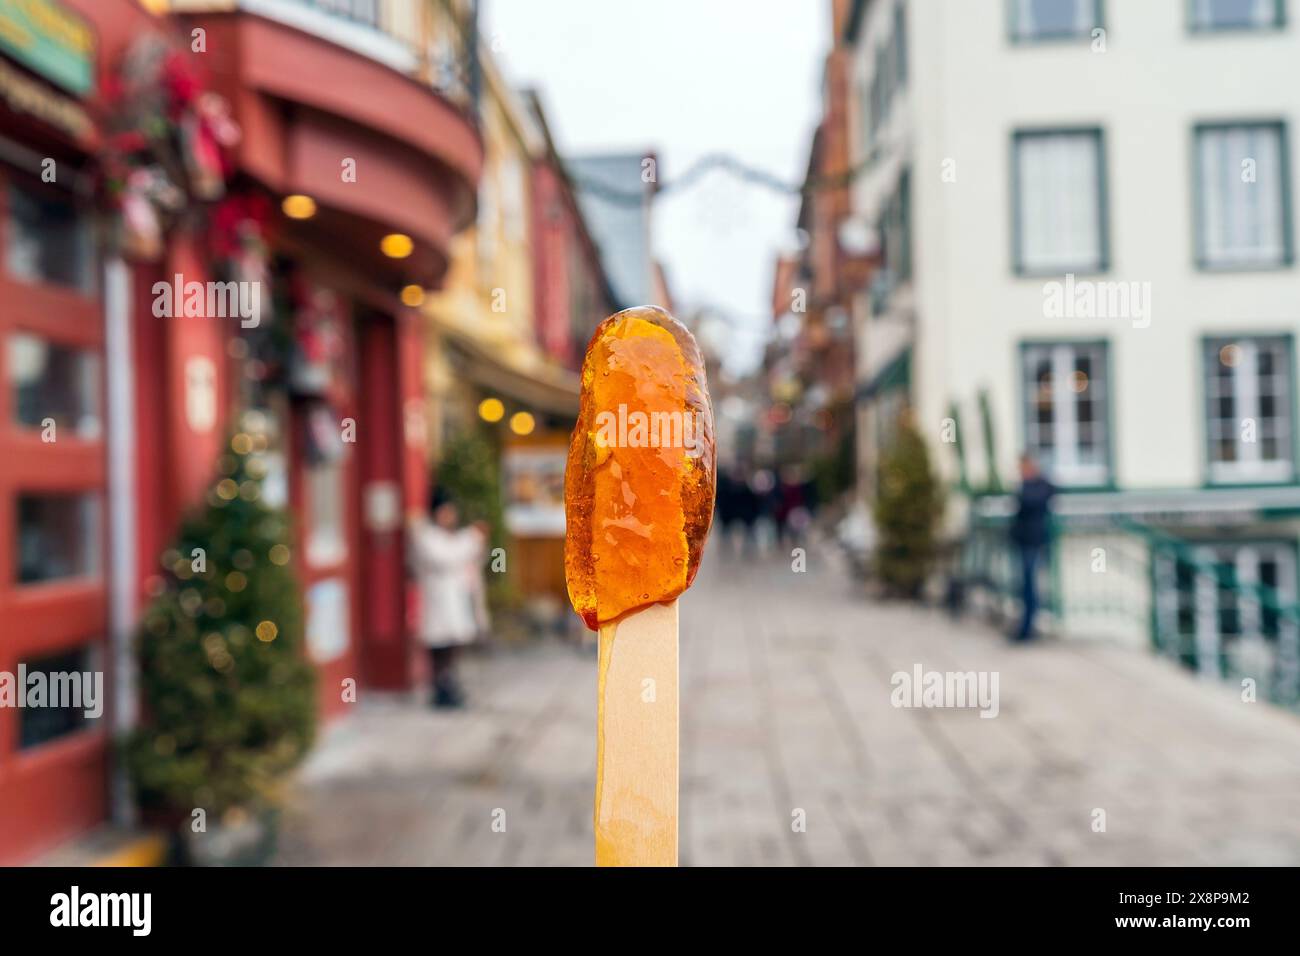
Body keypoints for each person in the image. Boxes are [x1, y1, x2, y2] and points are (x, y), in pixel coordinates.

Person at [409, 488, 489, 707]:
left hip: (455, 600)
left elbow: (471, 559)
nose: (449, 516)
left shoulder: (450, 537)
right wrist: (471, 538)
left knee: (453, 645)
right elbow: (446, 558)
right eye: (445, 512)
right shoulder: (427, 537)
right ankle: (440, 689)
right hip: (436, 600)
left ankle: (449, 685)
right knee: (438, 647)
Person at [1009, 453, 1055, 642]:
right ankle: (1026, 626)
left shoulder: (1039, 486)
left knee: (1031, 587)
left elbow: (1030, 502)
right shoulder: (1030, 486)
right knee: (1026, 586)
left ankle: (1028, 628)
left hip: (1033, 542)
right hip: (1025, 541)